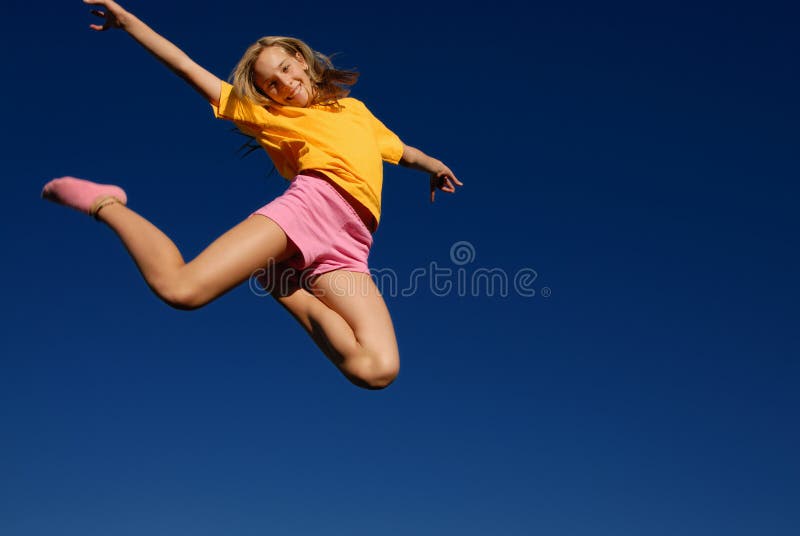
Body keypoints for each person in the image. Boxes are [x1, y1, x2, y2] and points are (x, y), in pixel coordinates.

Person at [42, 0, 462, 390]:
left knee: (377, 369)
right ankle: (106, 204)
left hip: (352, 247)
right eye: (271, 83)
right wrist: (129, 22)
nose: (284, 83)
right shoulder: (270, 116)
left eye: (285, 68)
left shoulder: (355, 111)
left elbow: (400, 151)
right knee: (181, 290)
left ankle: (281, 281)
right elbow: (188, 68)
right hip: (311, 208)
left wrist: (433, 165)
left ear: (301, 59)